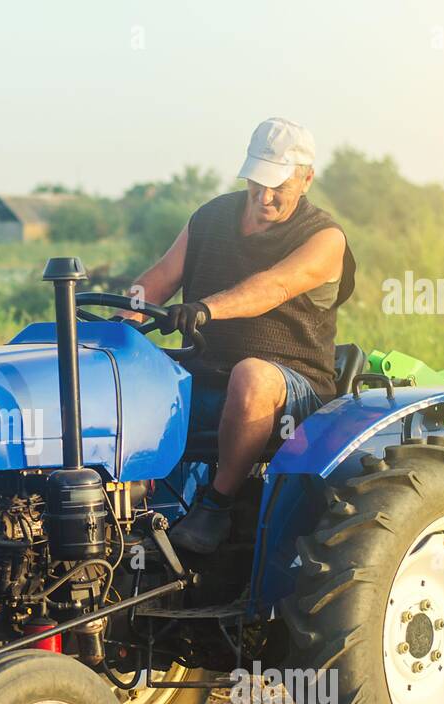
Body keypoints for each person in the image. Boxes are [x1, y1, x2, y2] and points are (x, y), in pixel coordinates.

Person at [125, 117, 357, 554]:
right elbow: (157, 279)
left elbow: (274, 286)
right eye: (257, 182)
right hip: (205, 367)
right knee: (126, 374)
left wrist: (206, 309)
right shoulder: (211, 217)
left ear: (306, 179)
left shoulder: (324, 238)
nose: (264, 196)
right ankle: (127, 514)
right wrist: (120, 320)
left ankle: (216, 508)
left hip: (294, 386)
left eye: (278, 186)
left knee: (251, 376)